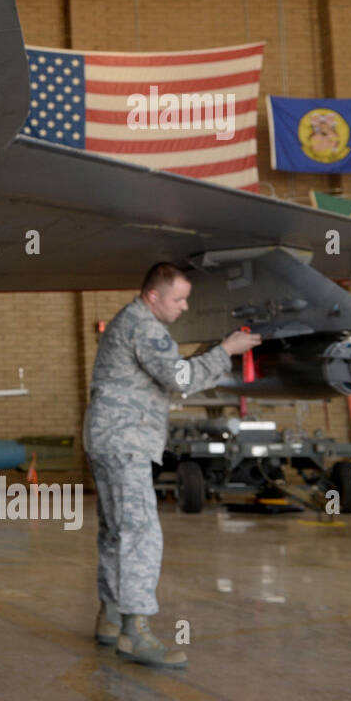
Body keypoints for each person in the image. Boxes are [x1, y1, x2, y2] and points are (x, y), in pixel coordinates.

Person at [83, 262, 261, 669]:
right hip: (125, 441)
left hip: (112, 439)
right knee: (140, 534)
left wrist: (212, 353)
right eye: (178, 299)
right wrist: (226, 352)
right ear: (153, 297)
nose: (184, 307)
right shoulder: (142, 325)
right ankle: (135, 632)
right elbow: (180, 376)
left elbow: (170, 372)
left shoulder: (135, 323)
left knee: (116, 531)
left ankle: (111, 618)